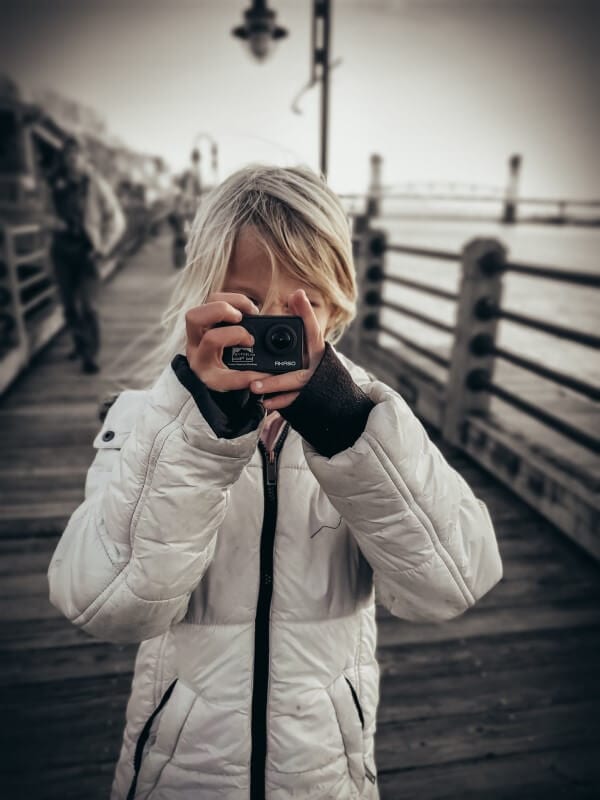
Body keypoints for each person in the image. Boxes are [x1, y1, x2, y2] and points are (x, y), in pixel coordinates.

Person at [48, 165, 503, 799]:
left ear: (338, 302)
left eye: (302, 304)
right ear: (200, 298)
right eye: (246, 302)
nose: (270, 328)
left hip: (323, 777)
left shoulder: (371, 424)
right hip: (181, 777)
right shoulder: (148, 424)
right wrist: (197, 434)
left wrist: (346, 430)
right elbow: (105, 604)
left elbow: (455, 582)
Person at [47, 137, 126, 373]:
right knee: (69, 305)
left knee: (89, 306)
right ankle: (80, 344)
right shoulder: (54, 184)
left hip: (88, 251)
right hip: (61, 251)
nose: (72, 160)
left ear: (84, 158)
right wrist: (52, 222)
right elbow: (41, 212)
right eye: (68, 156)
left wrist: (104, 246)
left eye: (76, 155)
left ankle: (90, 355)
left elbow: (117, 218)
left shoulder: (95, 184)